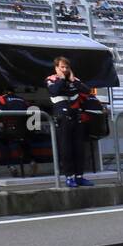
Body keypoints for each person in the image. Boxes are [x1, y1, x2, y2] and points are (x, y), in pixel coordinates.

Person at [47, 56, 94, 188]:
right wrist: (62, 78)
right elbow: (54, 91)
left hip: (76, 116)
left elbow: (87, 90)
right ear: (56, 68)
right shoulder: (52, 79)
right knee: (66, 148)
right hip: (62, 117)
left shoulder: (75, 80)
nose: (65, 69)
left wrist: (73, 80)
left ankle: (79, 176)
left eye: (67, 67)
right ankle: (69, 177)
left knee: (79, 148)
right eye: (62, 67)